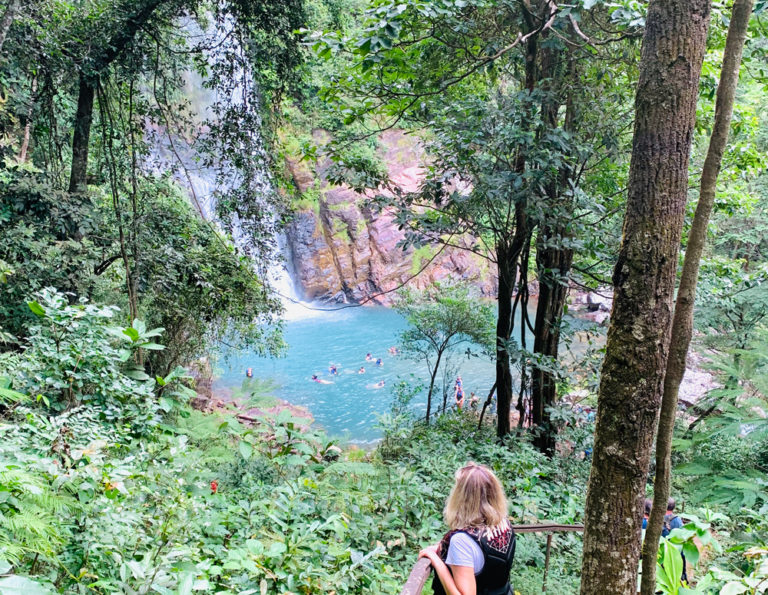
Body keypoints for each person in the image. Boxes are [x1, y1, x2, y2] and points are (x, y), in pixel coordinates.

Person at [419, 462, 516, 595]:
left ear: (462, 496)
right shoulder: (503, 524)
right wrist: (441, 548)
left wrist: (436, 560)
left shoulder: (462, 541)